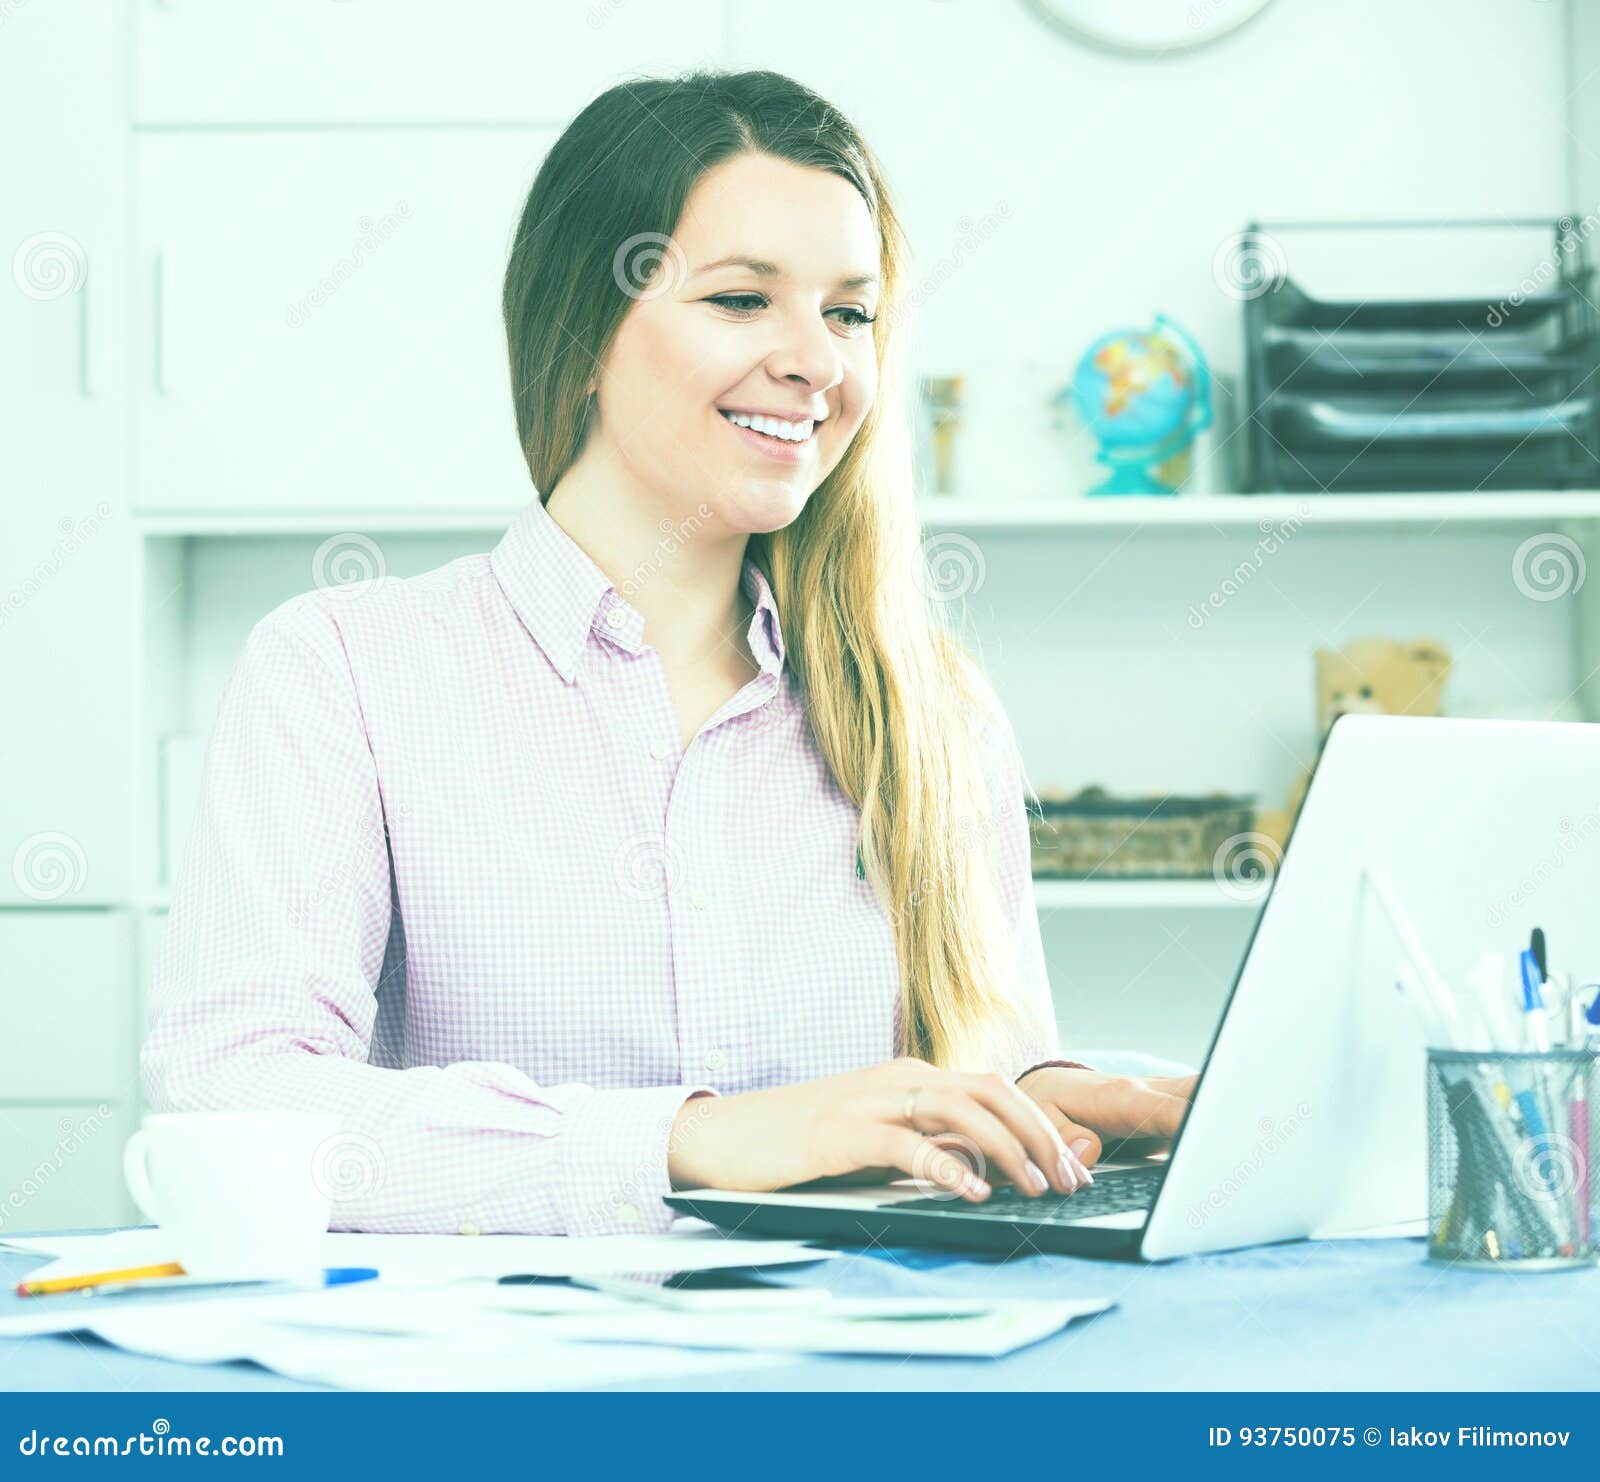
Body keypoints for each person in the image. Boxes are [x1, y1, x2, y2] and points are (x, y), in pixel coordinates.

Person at [142, 68, 1194, 1237]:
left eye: (850, 312)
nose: (819, 363)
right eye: (743, 299)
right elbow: (230, 1094)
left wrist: (1048, 1103)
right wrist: (686, 1143)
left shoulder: (930, 707)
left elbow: (954, 1087)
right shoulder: (342, 669)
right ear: (581, 331)